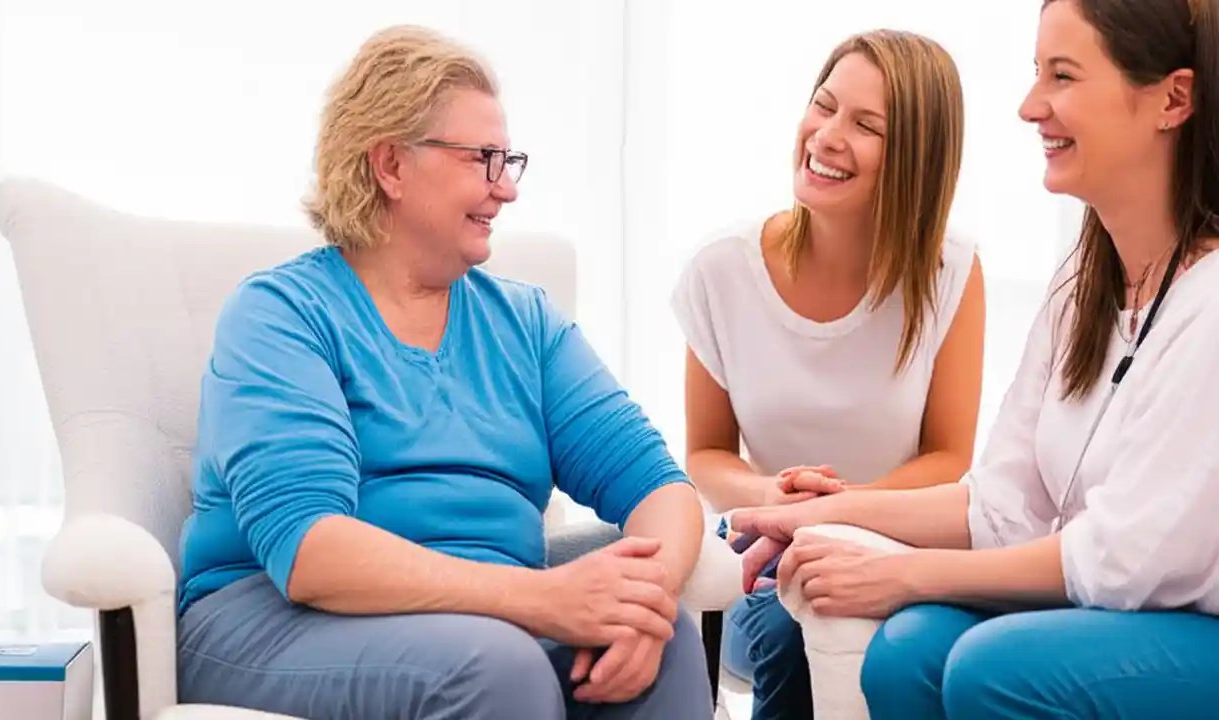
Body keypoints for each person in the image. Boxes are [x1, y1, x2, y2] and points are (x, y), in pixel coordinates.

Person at [174, 25, 713, 720]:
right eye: (483, 159)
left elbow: (659, 487)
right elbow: (310, 552)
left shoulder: (527, 324)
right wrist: (543, 598)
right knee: (497, 668)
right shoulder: (281, 315)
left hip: (493, 620)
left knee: (661, 652)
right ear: (390, 165)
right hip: (273, 613)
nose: (507, 189)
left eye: (509, 159)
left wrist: (645, 603)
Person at [731, 0, 1219, 717]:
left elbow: (1121, 562)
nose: (1030, 106)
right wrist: (821, 512)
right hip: (1122, 604)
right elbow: (1003, 504)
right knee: (908, 653)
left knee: (992, 670)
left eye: (1062, 76)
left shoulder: (1208, 304)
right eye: (1035, 74)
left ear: (1172, 99)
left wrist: (903, 575)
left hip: (1192, 624)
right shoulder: (1081, 288)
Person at [672, 29, 984, 719]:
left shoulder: (952, 272)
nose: (828, 135)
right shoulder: (721, 271)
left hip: (892, 540)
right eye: (825, 105)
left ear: (915, 160)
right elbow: (705, 455)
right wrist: (771, 499)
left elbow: (950, 456)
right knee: (786, 626)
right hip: (761, 543)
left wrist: (839, 512)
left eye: (866, 125)